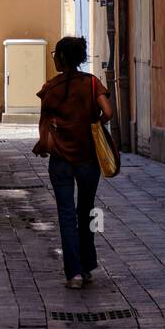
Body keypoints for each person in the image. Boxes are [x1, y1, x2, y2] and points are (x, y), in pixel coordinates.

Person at [33, 36, 113, 289]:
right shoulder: (91, 84)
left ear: (63, 58)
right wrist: (93, 123)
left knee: (66, 214)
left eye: (56, 54)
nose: (54, 58)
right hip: (88, 157)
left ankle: (74, 273)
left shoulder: (50, 88)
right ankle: (88, 266)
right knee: (86, 210)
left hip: (61, 159)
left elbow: (45, 122)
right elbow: (108, 112)